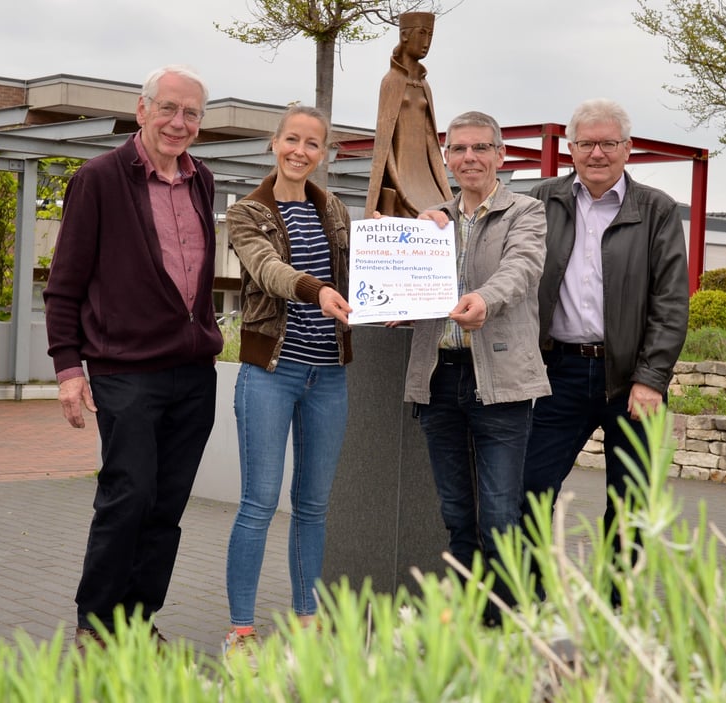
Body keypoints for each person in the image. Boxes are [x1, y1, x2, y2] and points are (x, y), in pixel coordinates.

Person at [43, 65, 223, 647]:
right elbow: (64, 285)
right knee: (129, 495)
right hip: (126, 370)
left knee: (167, 505)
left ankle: (137, 620)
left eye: (191, 113)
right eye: (168, 109)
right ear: (141, 110)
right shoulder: (98, 179)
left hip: (194, 373)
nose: (179, 122)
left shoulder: (204, 181)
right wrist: (69, 370)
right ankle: (95, 624)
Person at [523, 98, 689, 603]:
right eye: (587, 143)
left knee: (631, 502)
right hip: (556, 373)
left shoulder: (656, 209)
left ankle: (614, 614)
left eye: (609, 143)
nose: (598, 152)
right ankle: (533, 604)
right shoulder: (539, 201)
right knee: (528, 494)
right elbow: (485, 236)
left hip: (631, 380)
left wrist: (652, 377)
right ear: (570, 149)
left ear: (627, 149)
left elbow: (671, 300)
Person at [400, 110, 549, 624]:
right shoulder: (429, 221)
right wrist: (394, 299)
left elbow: (522, 270)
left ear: (500, 155)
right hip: (438, 379)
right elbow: (413, 290)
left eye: (480, 148)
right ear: (446, 158)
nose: (469, 158)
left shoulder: (525, 212)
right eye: (459, 150)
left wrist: (485, 299)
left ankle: (503, 620)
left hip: (502, 382)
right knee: (457, 515)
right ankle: (468, 616)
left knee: (501, 515)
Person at [223, 105, 353, 655]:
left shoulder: (336, 211)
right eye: (292, 140)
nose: (301, 151)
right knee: (257, 503)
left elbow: (359, 275)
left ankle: (307, 620)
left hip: (329, 377)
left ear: (324, 154)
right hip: (270, 374)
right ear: (274, 144)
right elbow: (267, 271)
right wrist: (315, 290)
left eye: (313, 143)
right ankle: (243, 631)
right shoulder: (247, 213)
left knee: (314, 506)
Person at [364, 11, 452, 217]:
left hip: (427, 184)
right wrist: (402, 191)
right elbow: (386, 145)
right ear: (404, 35)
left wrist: (447, 192)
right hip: (402, 184)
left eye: (430, 35)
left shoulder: (425, 86)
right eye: (422, 33)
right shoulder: (391, 82)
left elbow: (432, 143)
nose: (427, 42)